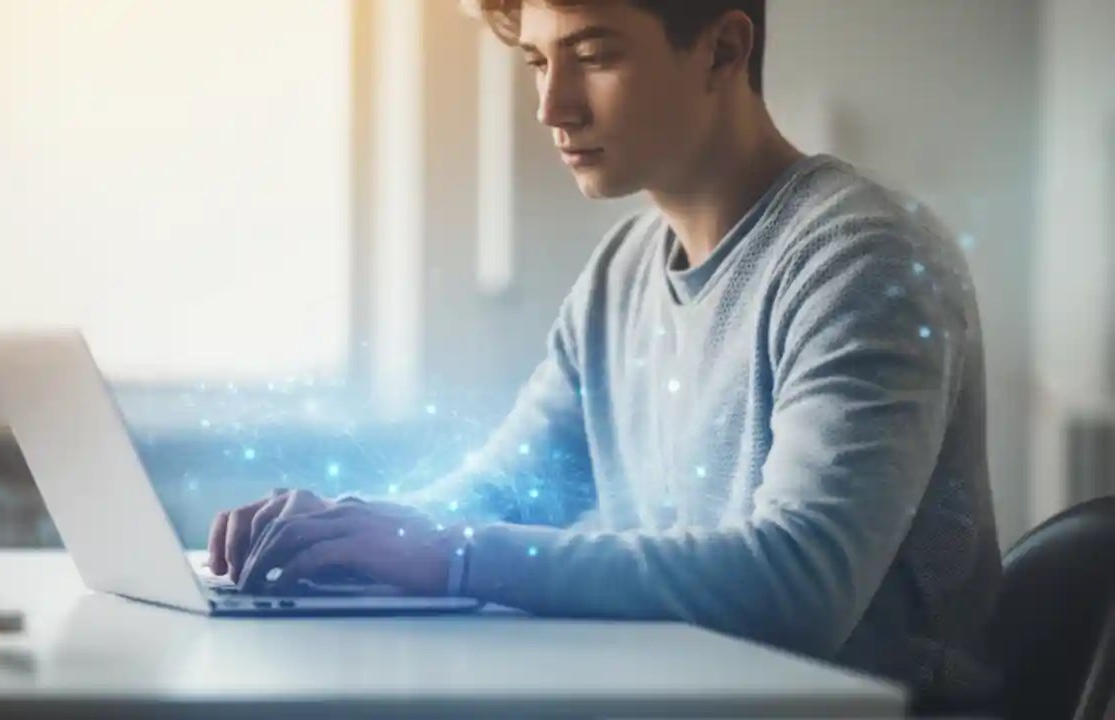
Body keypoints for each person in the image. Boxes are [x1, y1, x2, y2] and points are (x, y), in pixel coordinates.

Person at [206, 0, 1001, 710]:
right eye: (539, 62)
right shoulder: (622, 270)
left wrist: (444, 555)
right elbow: (510, 489)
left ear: (723, 51)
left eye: (594, 56)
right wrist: (354, 536)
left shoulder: (864, 258)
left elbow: (799, 585)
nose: (554, 106)